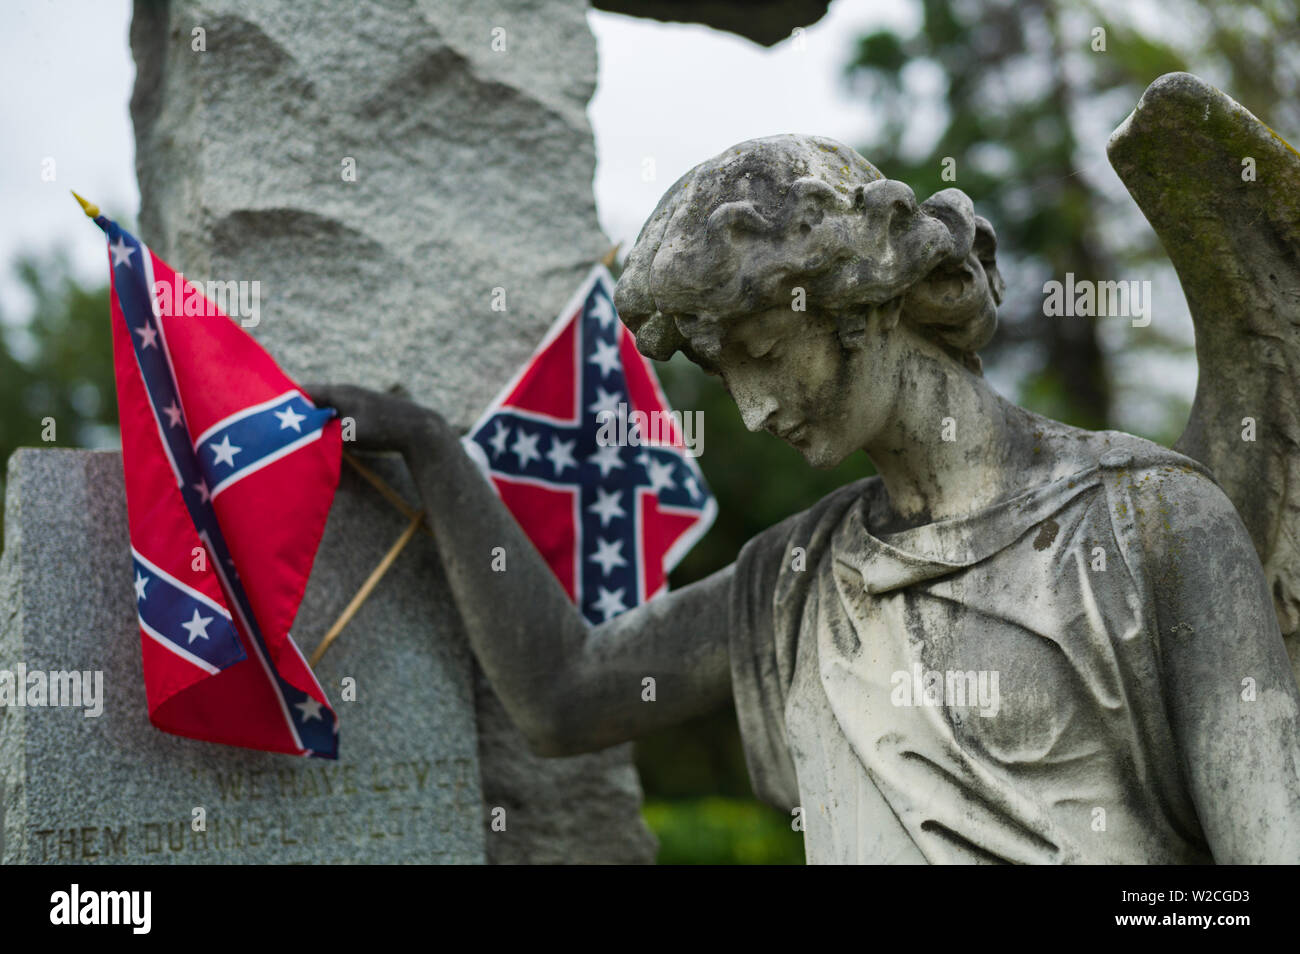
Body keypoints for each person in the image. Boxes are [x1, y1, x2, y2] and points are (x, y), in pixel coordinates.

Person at [311, 135, 1300, 863]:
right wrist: (436, 459)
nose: (748, 409)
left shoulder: (1150, 522)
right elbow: (565, 695)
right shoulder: (795, 578)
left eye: (763, 355)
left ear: (865, 298)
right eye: (724, 372)